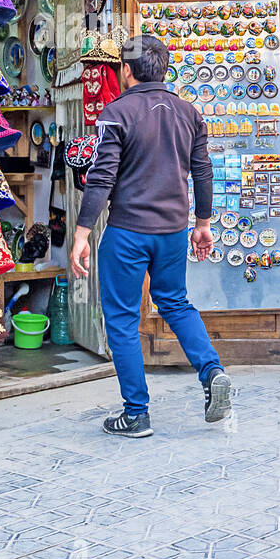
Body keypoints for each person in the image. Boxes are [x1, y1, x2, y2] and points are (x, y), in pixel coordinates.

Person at [70, 36, 230, 438]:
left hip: (127, 233)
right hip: (173, 232)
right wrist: (203, 223)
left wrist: (81, 233)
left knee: (122, 320)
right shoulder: (189, 113)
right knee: (176, 303)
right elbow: (203, 171)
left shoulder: (116, 113)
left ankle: (136, 413)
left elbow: (101, 177)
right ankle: (211, 372)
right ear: (164, 69)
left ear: (127, 70)